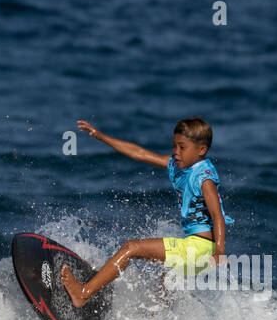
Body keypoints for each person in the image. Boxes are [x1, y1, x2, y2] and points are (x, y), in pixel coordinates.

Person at [61, 117, 234, 308]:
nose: (176, 152)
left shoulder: (204, 178)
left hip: (200, 249)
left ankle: (83, 293)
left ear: (201, 150)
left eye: (182, 147)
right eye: (174, 146)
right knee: (166, 280)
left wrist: (219, 250)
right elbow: (140, 153)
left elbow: (217, 215)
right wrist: (102, 137)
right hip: (198, 251)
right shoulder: (181, 166)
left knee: (131, 248)